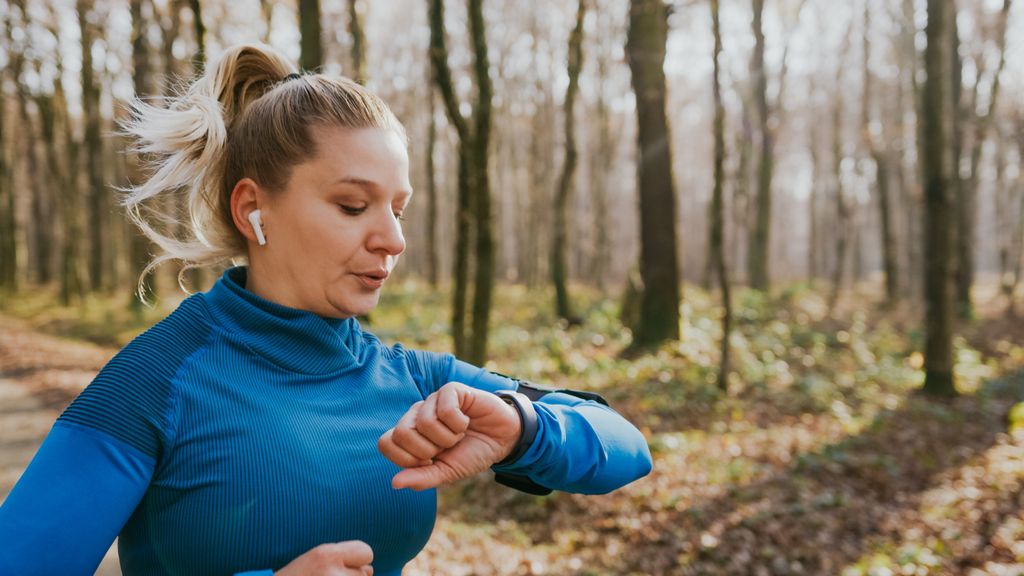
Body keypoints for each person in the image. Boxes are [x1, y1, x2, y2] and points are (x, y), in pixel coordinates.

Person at [0, 43, 652, 576]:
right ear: (253, 208)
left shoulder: (413, 381)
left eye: (399, 210)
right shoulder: (157, 378)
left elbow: (625, 448)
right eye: (352, 205)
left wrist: (523, 425)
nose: (393, 240)